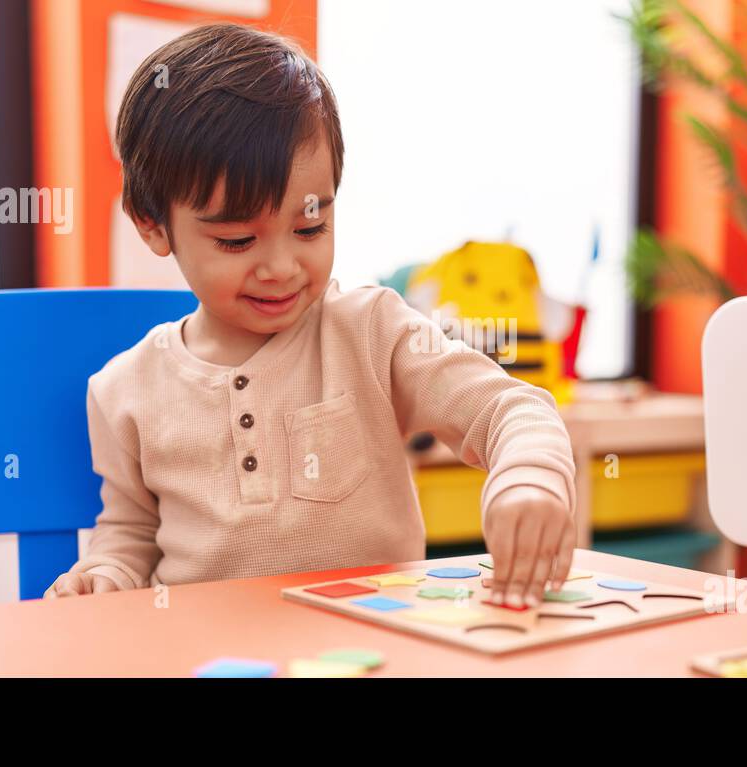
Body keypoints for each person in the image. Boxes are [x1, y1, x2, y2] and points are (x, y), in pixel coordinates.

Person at [45, 24, 576, 609]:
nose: (281, 266)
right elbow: (131, 535)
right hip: (205, 655)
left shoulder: (374, 331)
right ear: (151, 223)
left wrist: (529, 474)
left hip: (374, 645)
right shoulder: (124, 388)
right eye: (238, 239)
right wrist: (105, 575)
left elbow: (509, 409)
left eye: (309, 227)